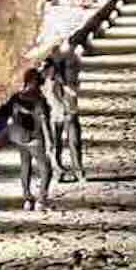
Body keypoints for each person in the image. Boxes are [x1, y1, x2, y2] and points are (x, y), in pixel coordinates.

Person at [5, 68, 54, 212]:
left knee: (25, 166)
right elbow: (44, 122)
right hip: (35, 138)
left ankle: (27, 198)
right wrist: (50, 141)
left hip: (20, 139)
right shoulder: (39, 100)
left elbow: (10, 116)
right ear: (37, 81)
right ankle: (41, 199)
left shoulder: (16, 97)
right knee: (46, 169)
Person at [43, 53, 84, 184]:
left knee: (74, 142)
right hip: (54, 116)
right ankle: (58, 172)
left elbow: (74, 93)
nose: (50, 72)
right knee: (56, 145)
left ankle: (79, 171)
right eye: (47, 70)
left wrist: (64, 84)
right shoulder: (43, 83)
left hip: (69, 114)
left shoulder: (66, 81)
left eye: (51, 69)